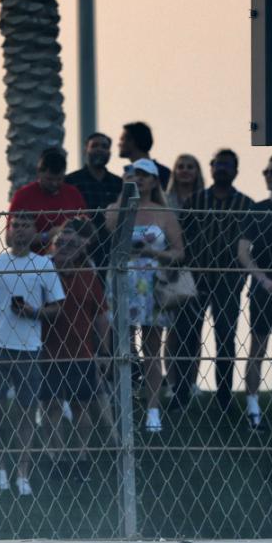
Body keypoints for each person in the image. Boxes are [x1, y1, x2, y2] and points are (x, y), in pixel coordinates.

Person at [0, 212, 64, 497]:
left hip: (29, 348)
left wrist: (35, 312)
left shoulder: (43, 265)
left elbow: (58, 306)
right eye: (15, 225)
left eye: (25, 226)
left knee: (26, 411)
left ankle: (23, 471)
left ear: (33, 231)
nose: (19, 231)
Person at [104, 158, 186, 433]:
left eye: (143, 175)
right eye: (133, 175)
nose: (138, 179)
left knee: (152, 349)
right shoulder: (119, 208)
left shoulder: (164, 213)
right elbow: (111, 227)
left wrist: (155, 254)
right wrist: (124, 194)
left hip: (153, 282)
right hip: (124, 281)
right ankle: (125, 403)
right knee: (124, 345)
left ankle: (152, 409)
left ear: (153, 180)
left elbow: (179, 251)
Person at [177, 149, 257, 411]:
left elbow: (252, 245)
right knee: (188, 336)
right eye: (217, 164)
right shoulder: (195, 200)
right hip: (196, 277)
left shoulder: (247, 204)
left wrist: (242, 275)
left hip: (229, 281)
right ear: (210, 169)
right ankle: (181, 394)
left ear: (236, 170)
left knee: (226, 337)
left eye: (227, 165)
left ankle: (224, 396)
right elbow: (181, 236)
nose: (222, 169)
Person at [42, 219, 111, 473]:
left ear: (81, 247)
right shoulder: (43, 271)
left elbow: (101, 315)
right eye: (61, 243)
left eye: (72, 244)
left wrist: (103, 352)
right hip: (47, 352)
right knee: (51, 405)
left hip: (82, 351)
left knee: (82, 406)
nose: (66, 248)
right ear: (52, 246)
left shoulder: (88, 275)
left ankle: (82, 457)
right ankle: (56, 457)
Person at [237, 154, 272, 430]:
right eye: (266, 171)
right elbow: (243, 253)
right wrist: (263, 280)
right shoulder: (257, 210)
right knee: (257, 347)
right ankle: (253, 408)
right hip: (262, 287)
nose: (269, 176)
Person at [8, 148, 86, 251]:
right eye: (49, 179)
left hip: (69, 260)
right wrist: (47, 236)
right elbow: (9, 239)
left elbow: (87, 231)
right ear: (39, 173)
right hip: (34, 262)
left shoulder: (73, 193)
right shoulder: (23, 196)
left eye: (59, 179)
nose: (54, 183)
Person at [66, 132, 124, 214]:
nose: (99, 149)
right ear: (85, 150)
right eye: (94, 146)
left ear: (109, 153)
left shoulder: (119, 183)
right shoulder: (71, 181)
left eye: (104, 147)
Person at [117, 121, 172, 189]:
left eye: (122, 140)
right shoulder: (128, 173)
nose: (119, 144)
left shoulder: (162, 173)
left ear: (132, 141)